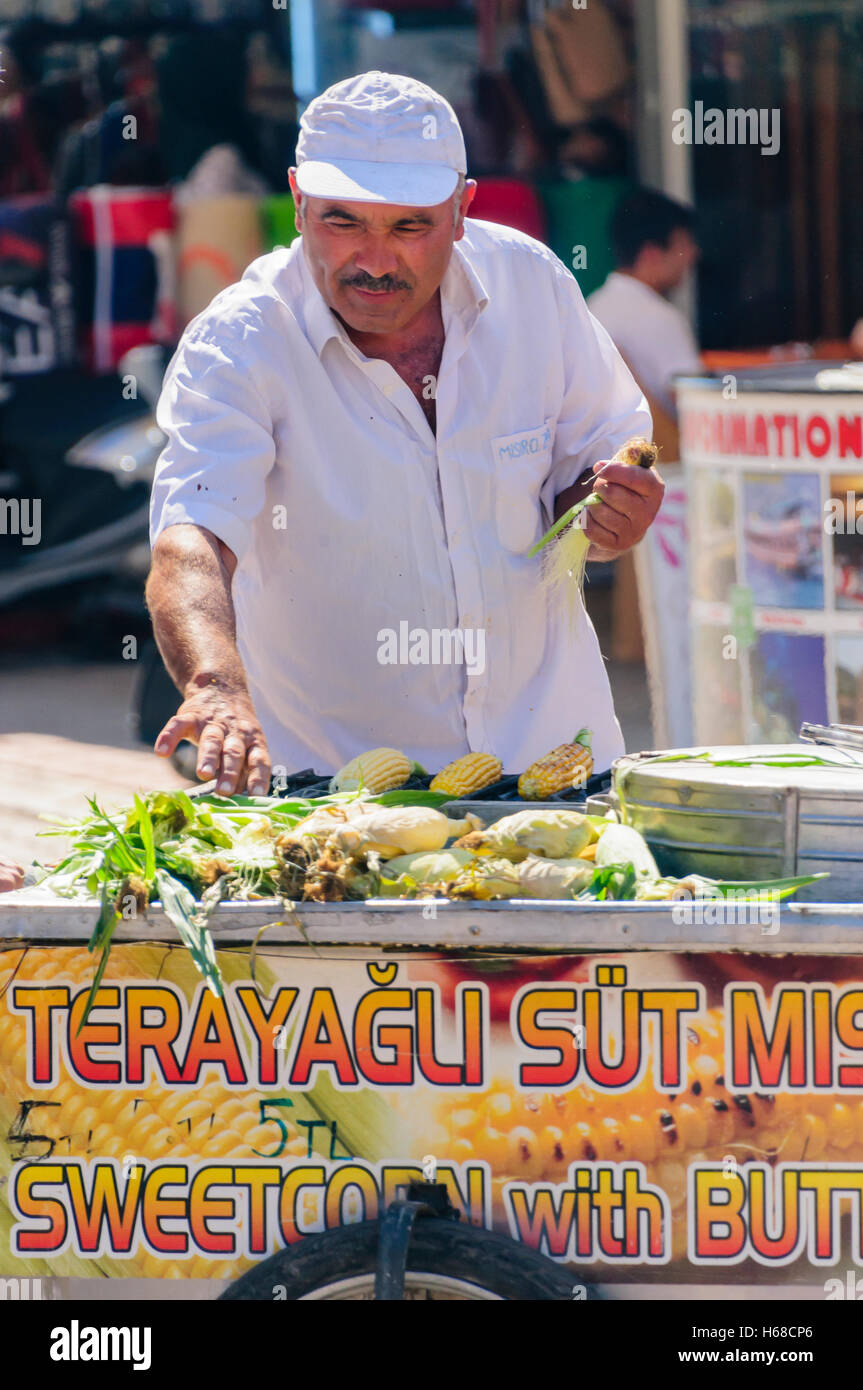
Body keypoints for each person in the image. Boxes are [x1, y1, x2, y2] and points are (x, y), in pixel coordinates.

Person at [146, 71, 663, 797]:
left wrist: (610, 516)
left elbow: (589, 480)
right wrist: (214, 683)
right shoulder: (243, 340)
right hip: (335, 788)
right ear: (296, 203)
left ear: (461, 209)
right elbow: (191, 535)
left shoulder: (531, 287)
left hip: (551, 761)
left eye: (409, 226)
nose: (375, 261)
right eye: (341, 222)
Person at [588, 187, 701, 429]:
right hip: (661, 462)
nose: (692, 254)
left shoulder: (592, 306)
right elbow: (698, 413)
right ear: (651, 253)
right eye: (684, 244)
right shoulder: (661, 318)